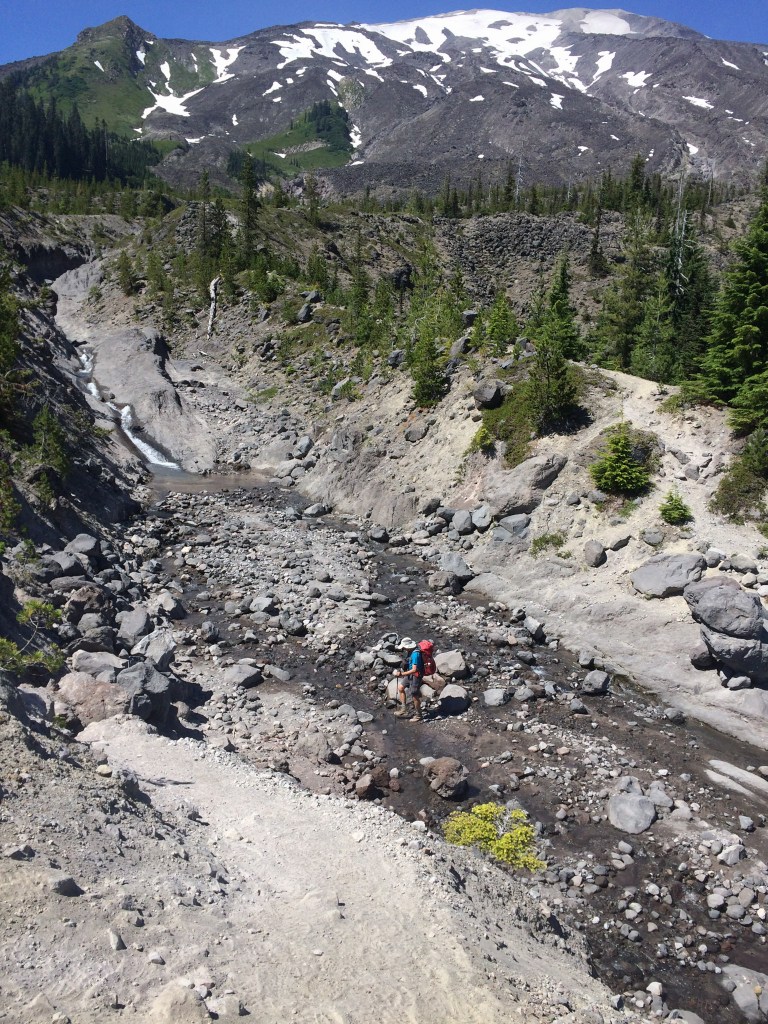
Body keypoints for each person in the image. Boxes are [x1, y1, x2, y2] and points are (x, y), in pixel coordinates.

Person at [393, 637, 424, 722]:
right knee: (401, 688)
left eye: (404, 647)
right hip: (410, 674)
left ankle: (418, 715)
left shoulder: (415, 654)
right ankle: (403, 709)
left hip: (416, 676)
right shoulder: (410, 651)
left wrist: (402, 674)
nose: (403, 648)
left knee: (414, 695)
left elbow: (414, 669)